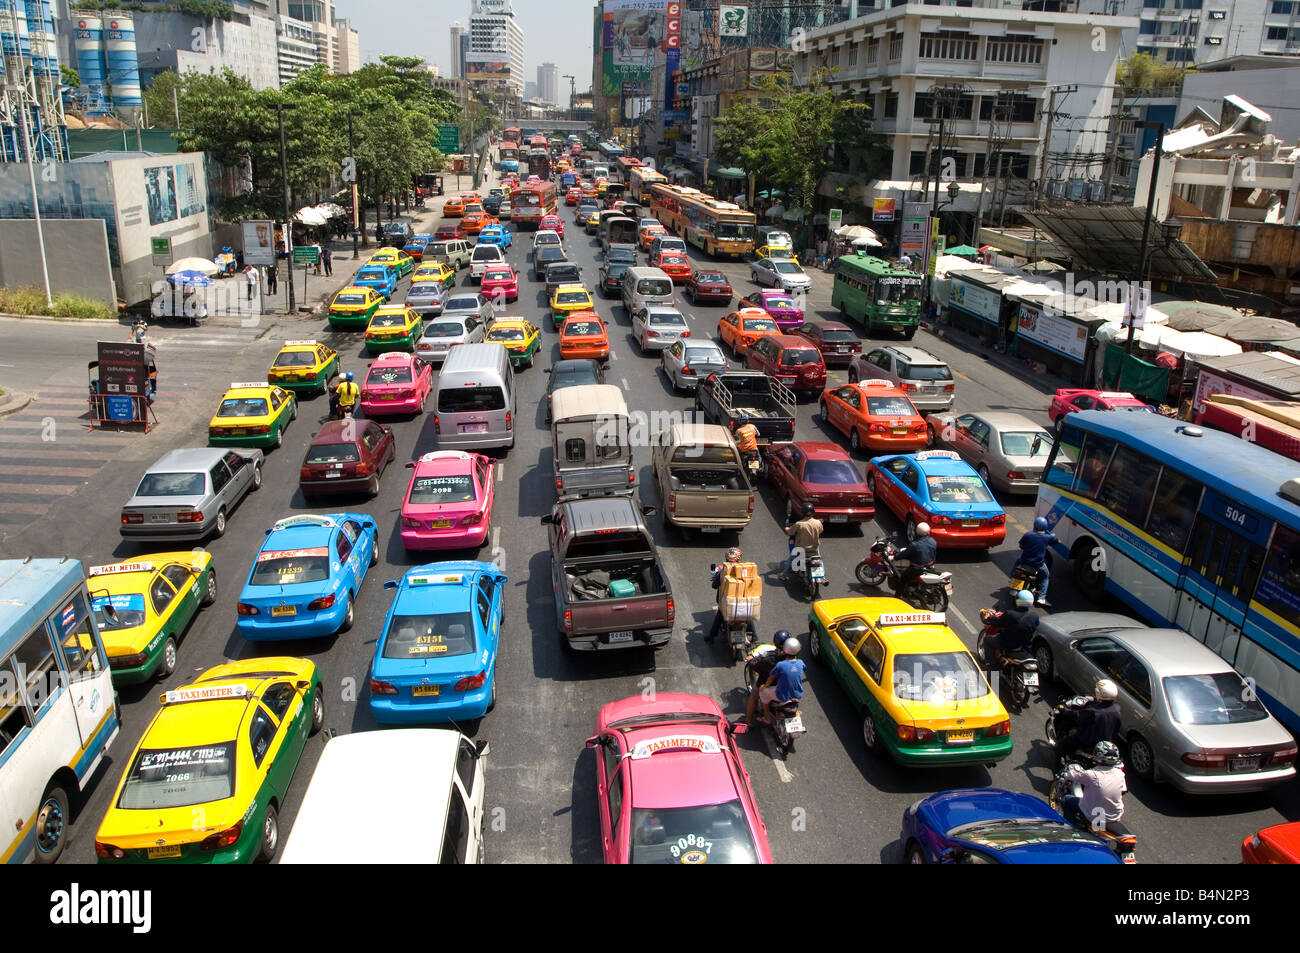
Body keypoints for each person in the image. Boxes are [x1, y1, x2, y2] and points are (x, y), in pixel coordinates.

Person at [1060, 741, 1127, 832]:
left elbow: (1073, 776)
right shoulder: (1120, 774)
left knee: (1067, 799)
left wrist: (1065, 774)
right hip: (1115, 815)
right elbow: (1122, 791)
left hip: (1094, 816)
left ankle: (1069, 831)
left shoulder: (1091, 774)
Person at [1054, 679, 1122, 767]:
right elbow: (1116, 729)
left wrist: (1063, 709)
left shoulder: (1093, 711)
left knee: (1061, 746)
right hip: (1105, 743)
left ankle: (1058, 771)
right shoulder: (1117, 709)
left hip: (1087, 741)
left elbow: (1076, 716)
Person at [744, 631, 795, 725]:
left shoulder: (771, 659)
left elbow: (756, 666)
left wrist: (751, 661)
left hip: (772, 686)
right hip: (789, 686)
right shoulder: (794, 657)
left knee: (754, 696)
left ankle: (748, 721)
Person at [979, 590, 1039, 664]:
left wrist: (988, 618)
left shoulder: (1010, 614)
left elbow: (998, 622)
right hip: (1025, 647)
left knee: (987, 640)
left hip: (1008, 644)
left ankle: (991, 667)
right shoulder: (1034, 616)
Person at [758, 637, 805, 725]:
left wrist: (764, 686)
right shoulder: (801, 663)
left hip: (782, 696)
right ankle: (796, 712)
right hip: (797, 695)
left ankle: (767, 717)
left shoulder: (781, 665)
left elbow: (771, 678)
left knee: (762, 692)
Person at [1016, 516, 1059, 607]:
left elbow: (1021, 545)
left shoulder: (1028, 535)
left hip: (1024, 560)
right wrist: (1056, 539)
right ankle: (1041, 598)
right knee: (1046, 577)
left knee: (1017, 565)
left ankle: (1013, 583)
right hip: (1037, 564)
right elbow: (1057, 541)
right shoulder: (1047, 537)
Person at [706, 547, 744, 643]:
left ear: (727, 558)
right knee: (747, 615)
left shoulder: (722, 571)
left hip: (727, 602)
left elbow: (714, 585)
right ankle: (754, 635)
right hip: (743, 601)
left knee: (720, 614)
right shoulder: (745, 569)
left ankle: (711, 637)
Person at [779, 502, 823, 583]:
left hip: (801, 550)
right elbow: (820, 531)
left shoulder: (799, 524)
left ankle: (783, 575)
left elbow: (790, 532)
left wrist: (786, 529)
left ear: (802, 512)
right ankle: (822, 576)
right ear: (813, 512)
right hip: (814, 549)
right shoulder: (818, 523)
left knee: (790, 559)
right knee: (819, 559)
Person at [895, 522, 937, 586]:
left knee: (902, 581)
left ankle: (898, 595)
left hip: (917, 569)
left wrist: (896, 556)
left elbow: (904, 554)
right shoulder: (933, 541)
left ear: (917, 532)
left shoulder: (914, 545)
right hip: (930, 566)